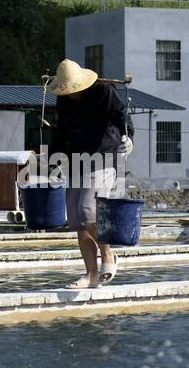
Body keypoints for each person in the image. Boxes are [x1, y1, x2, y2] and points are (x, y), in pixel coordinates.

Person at [47, 58, 133, 288]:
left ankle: (108, 255)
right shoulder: (64, 99)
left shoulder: (104, 91)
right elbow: (61, 132)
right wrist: (50, 163)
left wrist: (129, 137)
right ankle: (91, 275)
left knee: (87, 211)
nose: (71, 94)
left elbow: (122, 116)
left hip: (103, 157)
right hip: (76, 160)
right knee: (76, 221)